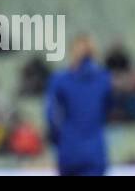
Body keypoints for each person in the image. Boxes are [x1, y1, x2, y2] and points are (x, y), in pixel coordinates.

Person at [44, 35, 112, 176]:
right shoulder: (104, 79)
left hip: (68, 150)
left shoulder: (60, 80)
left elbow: (51, 115)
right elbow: (107, 110)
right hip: (95, 152)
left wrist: (60, 140)